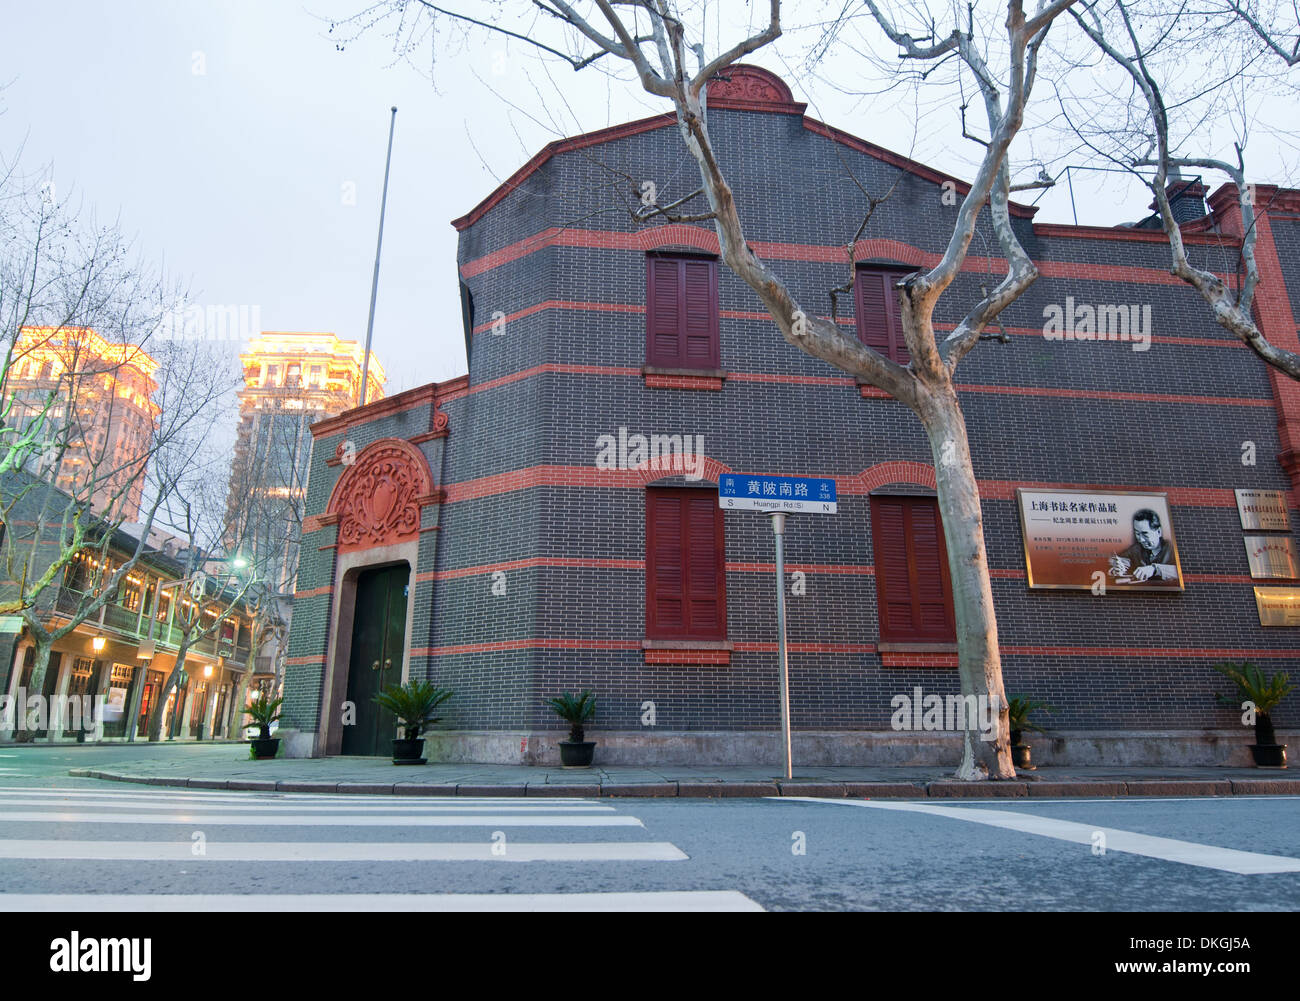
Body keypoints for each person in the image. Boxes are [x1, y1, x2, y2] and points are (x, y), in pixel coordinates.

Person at [1109, 508, 1179, 584]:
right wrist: (1117, 568)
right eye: (1138, 534)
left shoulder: (1172, 548)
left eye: (1145, 534)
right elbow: (1120, 560)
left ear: (1159, 532)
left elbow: (1179, 571)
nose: (1141, 540)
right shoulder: (1136, 550)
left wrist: (1154, 569)